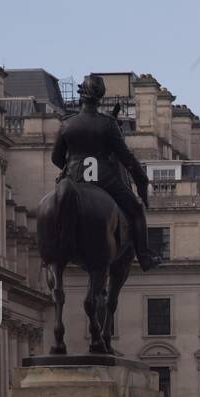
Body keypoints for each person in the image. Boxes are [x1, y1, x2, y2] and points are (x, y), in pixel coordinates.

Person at [50, 74, 160, 271]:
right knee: (136, 208)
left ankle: (51, 251)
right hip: (104, 179)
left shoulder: (67, 123)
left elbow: (56, 158)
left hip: (73, 177)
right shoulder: (108, 124)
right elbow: (126, 159)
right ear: (100, 97)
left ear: (81, 95)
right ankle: (144, 256)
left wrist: (69, 168)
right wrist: (141, 181)